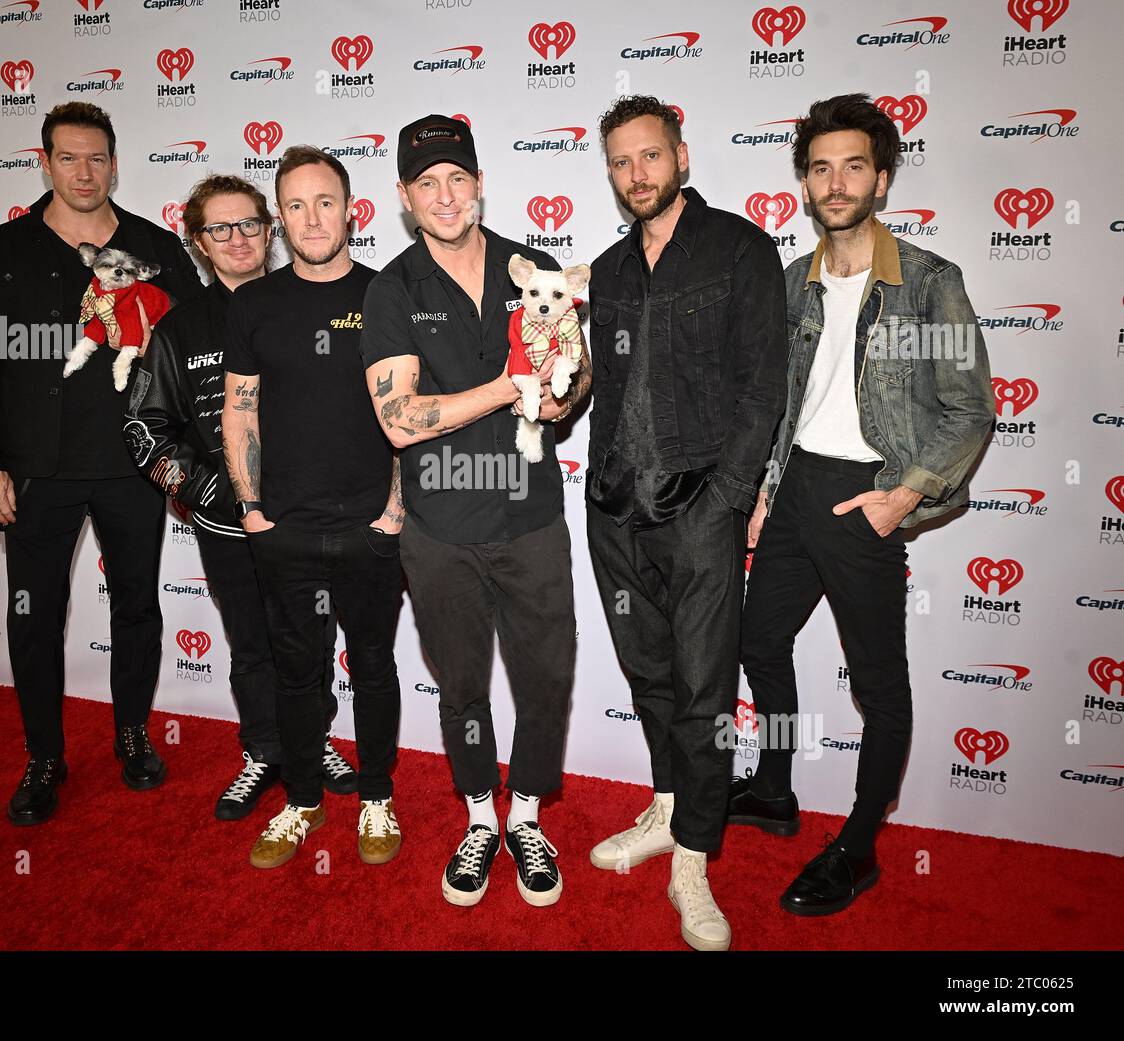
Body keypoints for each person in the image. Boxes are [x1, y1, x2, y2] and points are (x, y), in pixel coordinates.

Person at [735, 93, 995, 915]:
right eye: (820, 168)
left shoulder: (924, 284)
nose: (835, 181)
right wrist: (767, 486)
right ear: (804, 185)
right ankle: (775, 787)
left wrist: (904, 497)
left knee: (879, 684)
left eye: (853, 166)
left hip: (867, 499)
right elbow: (782, 402)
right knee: (756, 640)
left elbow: (971, 408)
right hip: (797, 487)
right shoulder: (791, 283)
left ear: (882, 179)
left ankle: (858, 845)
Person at [0, 102, 204, 825]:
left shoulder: (156, 247)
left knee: (137, 605)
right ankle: (44, 756)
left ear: (115, 163)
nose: (85, 172)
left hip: (134, 465)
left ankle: (133, 734)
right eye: (69, 158)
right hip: (35, 471)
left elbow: (193, 354)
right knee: (34, 617)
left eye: (97, 158)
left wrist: (185, 452)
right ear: (45, 162)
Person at [360, 115, 589, 908]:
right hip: (441, 531)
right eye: (427, 183)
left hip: (531, 518)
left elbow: (576, 382)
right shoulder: (391, 289)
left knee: (547, 676)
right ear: (403, 197)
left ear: (481, 182)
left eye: (458, 177)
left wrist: (565, 383)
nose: (446, 195)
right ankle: (478, 816)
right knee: (460, 685)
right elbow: (399, 419)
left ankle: (526, 814)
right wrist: (506, 386)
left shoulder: (538, 268)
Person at [584, 96, 787, 950]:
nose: (638, 174)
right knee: (651, 678)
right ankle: (669, 808)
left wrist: (729, 498)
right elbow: (603, 394)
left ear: (681, 155)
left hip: (701, 506)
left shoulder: (741, 249)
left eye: (650, 156)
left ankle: (694, 859)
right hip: (614, 508)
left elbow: (763, 385)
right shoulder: (606, 269)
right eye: (622, 162)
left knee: (706, 690)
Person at [122, 174, 357, 822]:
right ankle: (263, 748)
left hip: (311, 519)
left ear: (270, 228)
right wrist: (203, 489)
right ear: (199, 241)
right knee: (252, 644)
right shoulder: (179, 329)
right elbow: (144, 429)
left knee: (311, 638)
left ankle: (314, 743)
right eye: (220, 228)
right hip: (229, 527)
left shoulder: (307, 302)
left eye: (249, 224)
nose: (237, 239)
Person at [222, 146, 406, 870]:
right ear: (279, 218)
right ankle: (301, 799)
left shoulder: (386, 295)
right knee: (297, 673)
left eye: (324, 201)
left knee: (373, 666)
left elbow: (406, 408)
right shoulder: (253, 303)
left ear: (352, 208)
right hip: (284, 529)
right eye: (294, 205)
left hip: (370, 528)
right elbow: (241, 412)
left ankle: (378, 794)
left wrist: (392, 511)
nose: (311, 218)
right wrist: (253, 508)